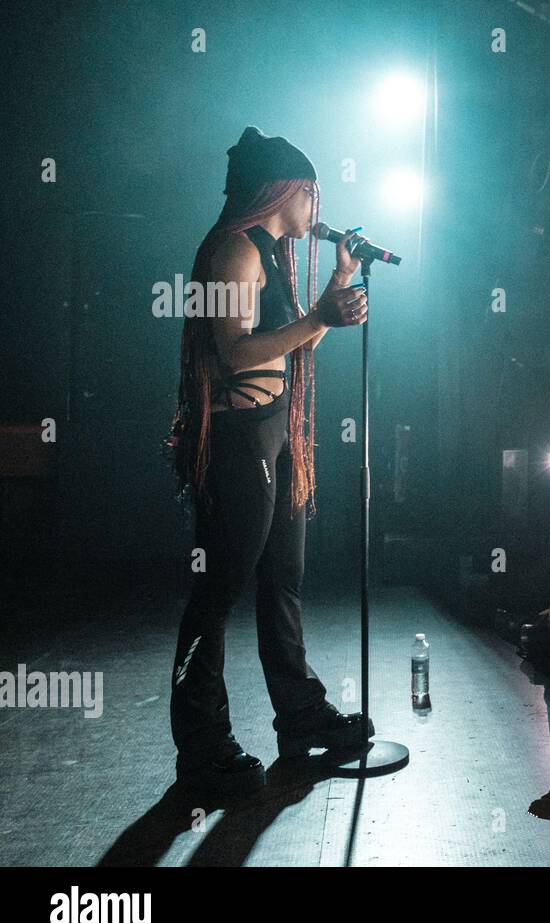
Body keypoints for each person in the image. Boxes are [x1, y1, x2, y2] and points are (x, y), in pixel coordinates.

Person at [167, 127, 374, 796]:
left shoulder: (273, 253)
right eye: (314, 192)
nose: (319, 207)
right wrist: (323, 313)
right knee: (219, 590)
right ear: (289, 190)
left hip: (278, 431)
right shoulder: (233, 249)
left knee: (283, 577)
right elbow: (236, 352)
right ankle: (202, 751)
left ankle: (302, 717)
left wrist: (338, 286)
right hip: (237, 439)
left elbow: (295, 341)